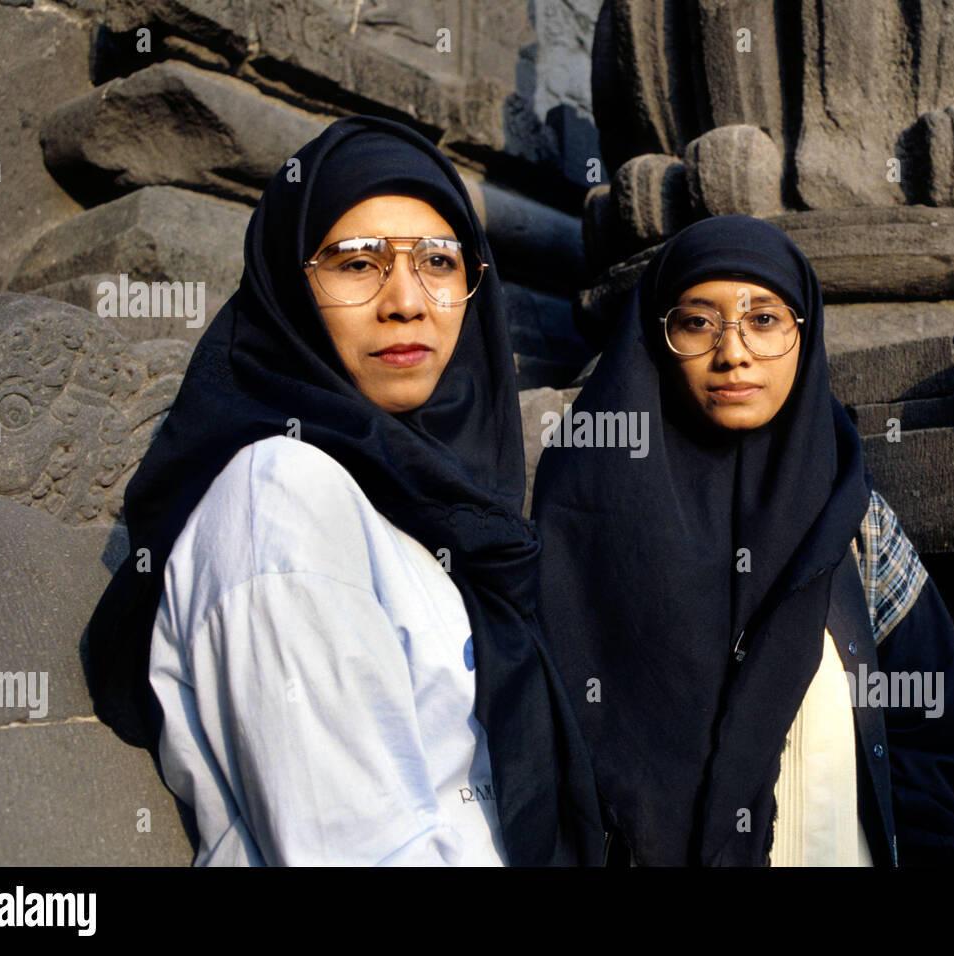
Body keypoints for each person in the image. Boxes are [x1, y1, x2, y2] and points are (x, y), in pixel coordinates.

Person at [83, 116, 603, 866]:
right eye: (357, 264)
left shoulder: (432, 497)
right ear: (290, 284)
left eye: (439, 260)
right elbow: (360, 849)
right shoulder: (282, 496)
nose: (406, 300)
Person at [531, 215, 954, 866]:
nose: (734, 352)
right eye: (698, 322)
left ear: (803, 337)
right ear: (657, 338)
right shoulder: (585, 518)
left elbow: (940, 738)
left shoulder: (855, 527)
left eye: (765, 320)